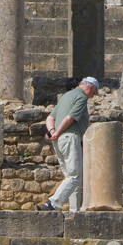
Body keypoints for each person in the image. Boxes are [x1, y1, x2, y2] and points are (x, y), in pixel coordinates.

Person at [38, 76, 98, 212]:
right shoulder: (81, 97)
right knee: (74, 176)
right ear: (90, 87)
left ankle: (74, 210)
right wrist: (57, 132)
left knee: (70, 178)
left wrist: (53, 132)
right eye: (93, 93)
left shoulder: (66, 96)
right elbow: (70, 118)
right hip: (70, 137)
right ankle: (53, 204)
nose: (92, 96)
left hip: (59, 141)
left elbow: (50, 118)